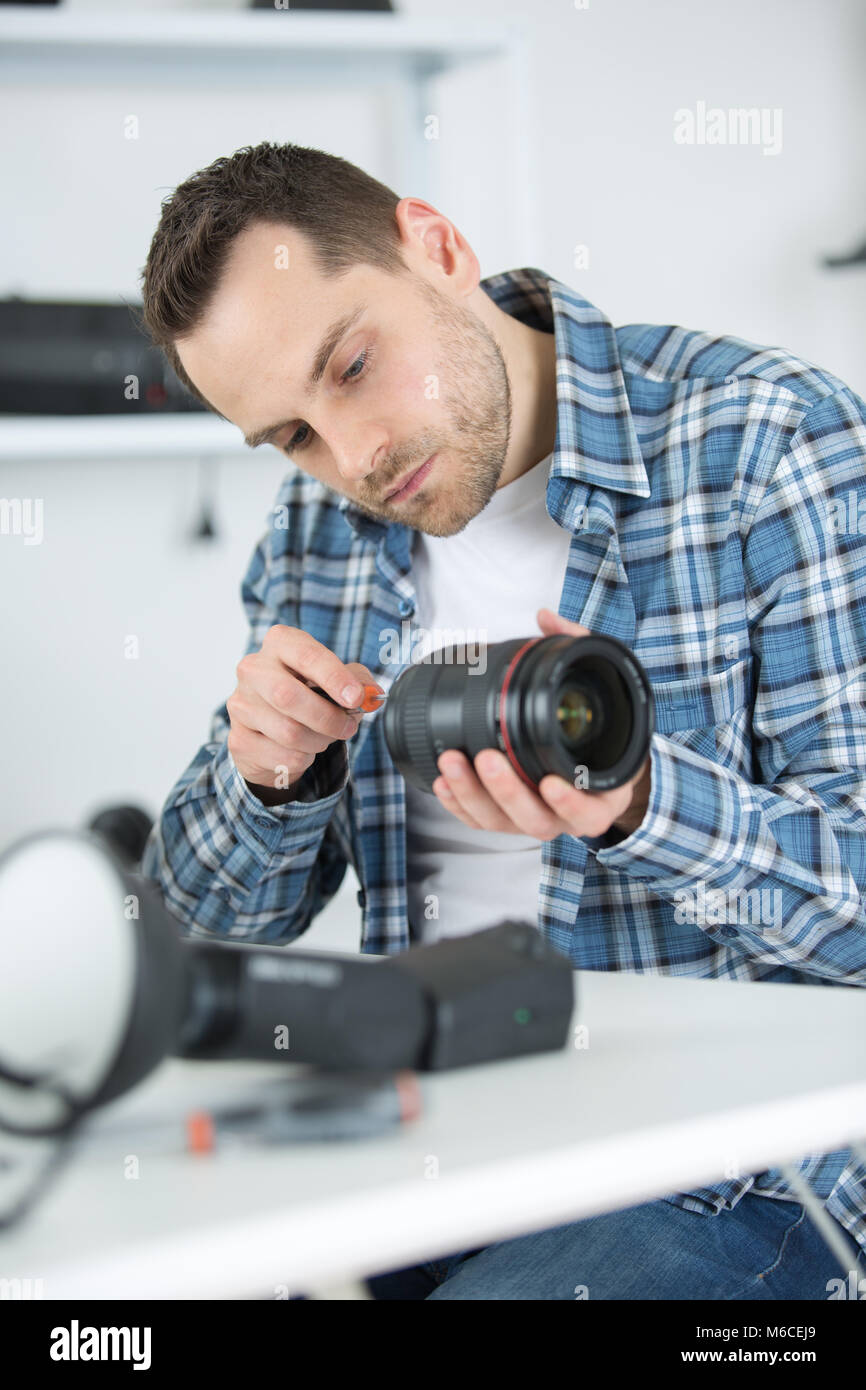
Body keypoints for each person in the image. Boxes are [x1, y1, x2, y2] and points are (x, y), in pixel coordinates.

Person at [138, 141, 866, 1299]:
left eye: (354, 363)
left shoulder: (766, 445)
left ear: (435, 246)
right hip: (438, 1133)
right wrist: (269, 780)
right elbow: (184, 929)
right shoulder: (318, 533)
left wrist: (638, 809)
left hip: (728, 1165)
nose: (355, 456)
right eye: (290, 436)